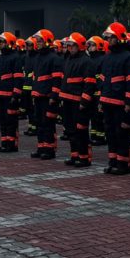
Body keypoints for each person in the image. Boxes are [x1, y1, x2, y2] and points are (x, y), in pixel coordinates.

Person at [99, 22, 130, 175]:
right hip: (108, 102)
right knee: (110, 133)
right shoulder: (107, 58)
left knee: (122, 134)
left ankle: (123, 164)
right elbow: (103, 80)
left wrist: (129, 103)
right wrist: (102, 100)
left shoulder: (129, 58)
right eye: (107, 38)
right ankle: (113, 161)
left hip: (121, 104)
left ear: (119, 38)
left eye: (110, 37)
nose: (108, 40)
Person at [58, 32, 96, 166]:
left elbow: (89, 83)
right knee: (70, 130)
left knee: (81, 130)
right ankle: (75, 156)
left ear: (79, 46)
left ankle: (84, 157)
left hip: (79, 103)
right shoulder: (68, 60)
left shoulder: (87, 61)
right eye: (68, 46)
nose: (69, 48)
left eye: (72, 46)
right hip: (68, 100)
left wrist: (84, 101)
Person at [29, 29, 62, 160]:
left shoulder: (54, 58)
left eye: (40, 40)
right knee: (39, 123)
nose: (38, 43)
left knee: (48, 124)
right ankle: (41, 147)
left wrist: (54, 96)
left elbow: (57, 79)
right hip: (38, 96)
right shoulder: (38, 57)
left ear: (48, 41)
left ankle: (49, 149)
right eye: (37, 41)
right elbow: (35, 78)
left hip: (48, 98)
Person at [0, 32, 23, 152]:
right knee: (3, 120)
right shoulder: (2, 57)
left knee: (11, 121)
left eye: (2, 42)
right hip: (1, 95)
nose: (0, 44)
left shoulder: (15, 57)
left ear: (9, 43)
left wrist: (16, 94)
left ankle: (12, 144)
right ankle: (4, 142)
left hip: (11, 95)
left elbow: (18, 77)